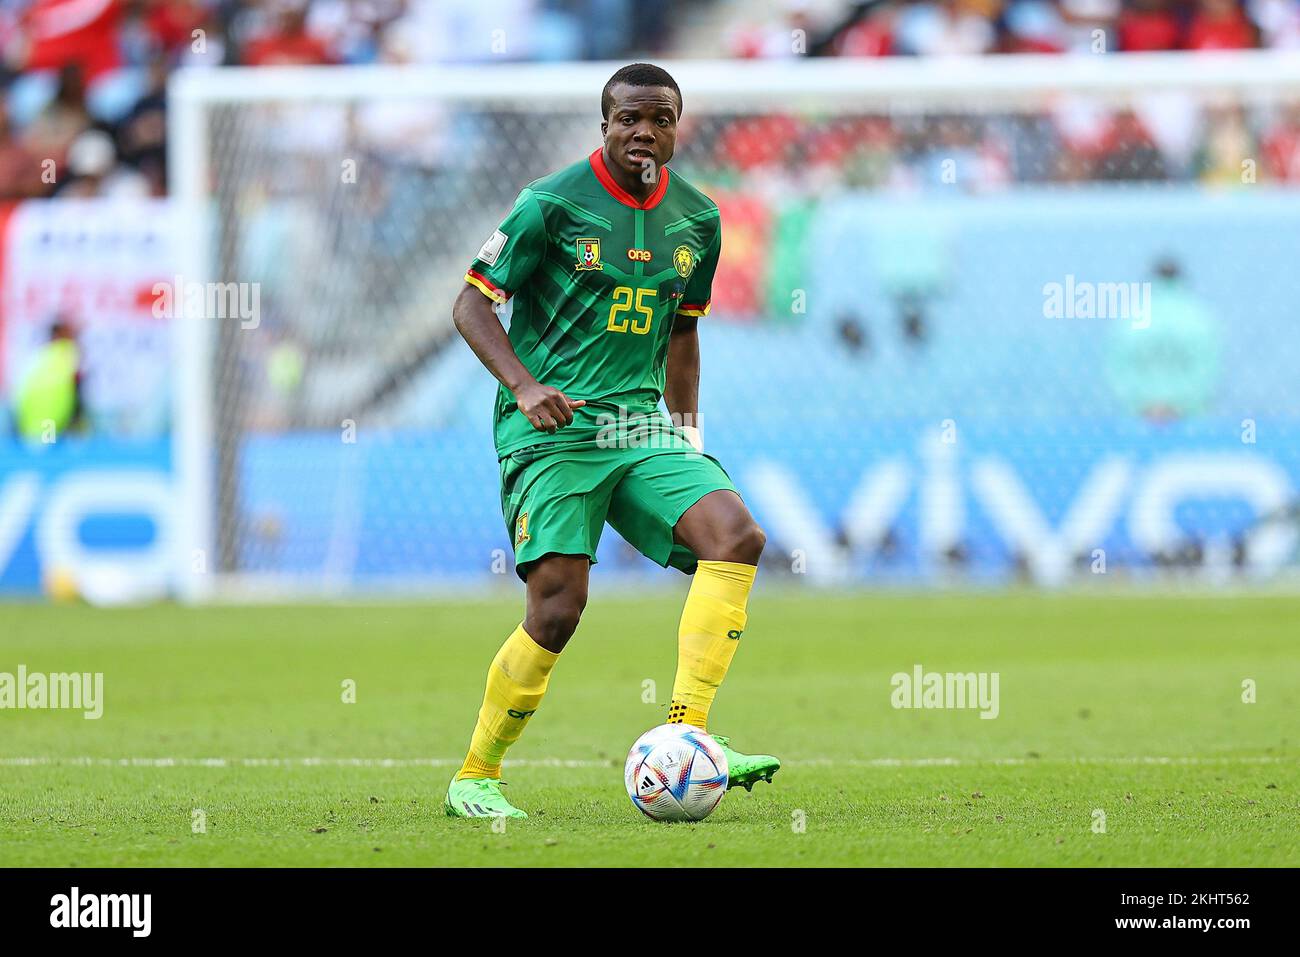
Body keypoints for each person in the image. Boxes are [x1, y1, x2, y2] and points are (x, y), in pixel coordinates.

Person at [446, 63, 778, 819]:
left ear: (675, 125)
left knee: (735, 535)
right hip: (554, 429)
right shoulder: (551, 203)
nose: (643, 131)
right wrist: (525, 388)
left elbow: (685, 334)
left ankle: (689, 737)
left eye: (659, 118)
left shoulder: (698, 217)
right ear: (605, 123)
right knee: (559, 604)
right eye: (629, 117)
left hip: (640, 424)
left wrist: (687, 435)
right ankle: (476, 773)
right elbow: (470, 304)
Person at [13, 318, 83, 442]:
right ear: (58, 335)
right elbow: (77, 384)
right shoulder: (67, 351)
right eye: (68, 333)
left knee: (39, 455)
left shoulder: (40, 355)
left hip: (31, 417)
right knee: (50, 455)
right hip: (50, 418)